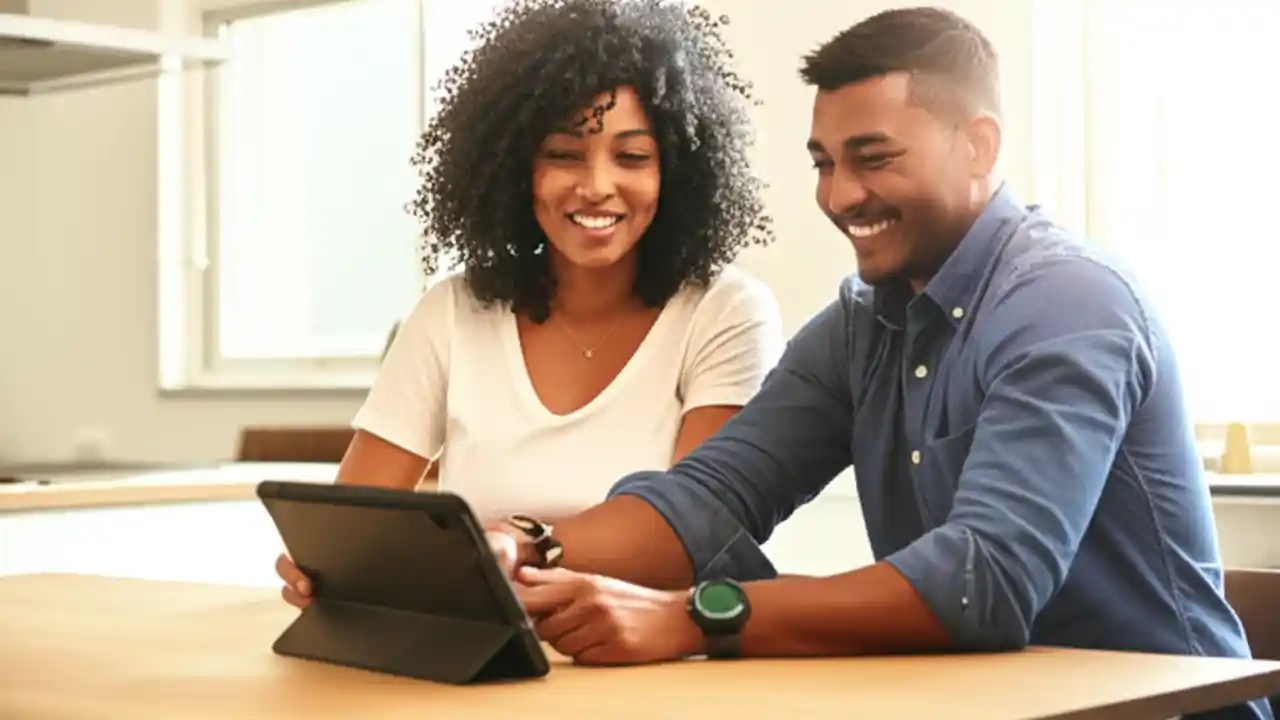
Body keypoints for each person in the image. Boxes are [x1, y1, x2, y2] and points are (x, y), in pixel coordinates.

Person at [486, 7, 1270, 719]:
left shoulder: (1069, 302)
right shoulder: (863, 325)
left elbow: (984, 579)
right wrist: (524, 549)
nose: (839, 195)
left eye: (873, 158)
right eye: (824, 163)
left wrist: (696, 615)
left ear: (979, 145)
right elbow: (711, 497)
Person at [275, 0, 782, 607]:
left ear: (677, 171)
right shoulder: (452, 312)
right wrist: (330, 567)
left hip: (656, 662)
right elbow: (354, 523)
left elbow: (694, 532)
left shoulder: (724, 312)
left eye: (632, 157)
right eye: (564, 154)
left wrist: (511, 545)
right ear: (516, 169)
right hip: (483, 650)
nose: (596, 185)